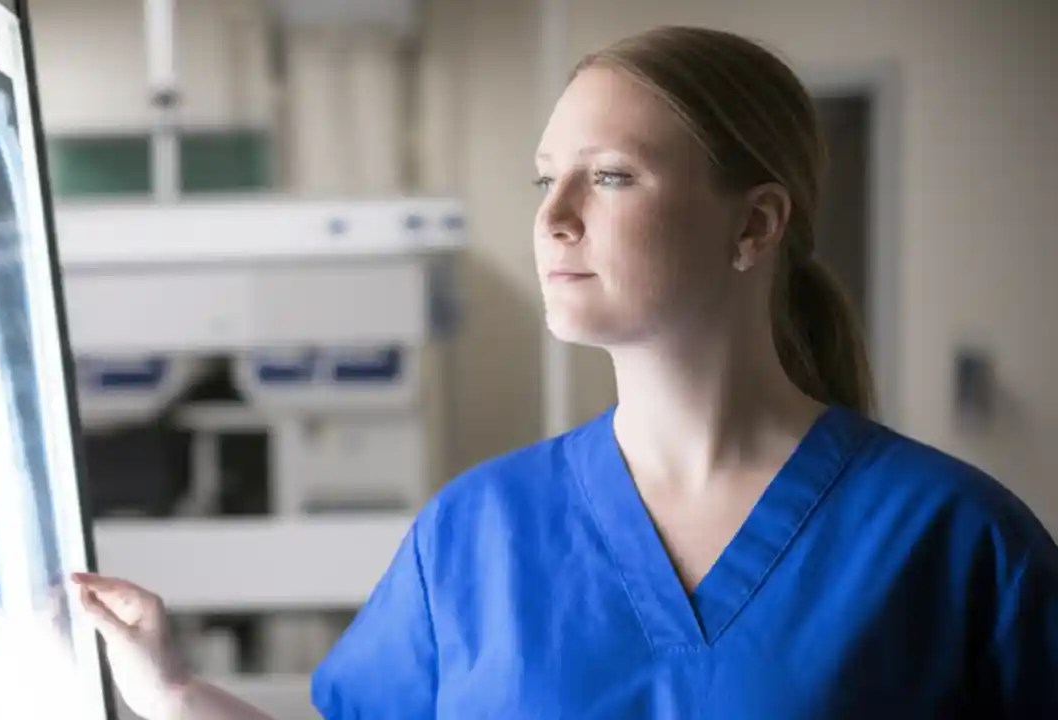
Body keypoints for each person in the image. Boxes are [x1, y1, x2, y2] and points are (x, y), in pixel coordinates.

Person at [72, 26, 1058, 719]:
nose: (552, 217)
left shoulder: (953, 543)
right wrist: (173, 693)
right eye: (547, 177)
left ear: (753, 224)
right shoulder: (473, 535)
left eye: (612, 176)